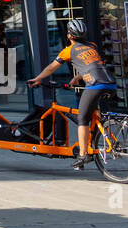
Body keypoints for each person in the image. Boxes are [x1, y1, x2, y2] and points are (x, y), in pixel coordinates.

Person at [29, 18, 117, 169]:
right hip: (110, 83)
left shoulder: (68, 51)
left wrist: (37, 79)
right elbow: (91, 65)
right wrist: (76, 78)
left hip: (95, 85)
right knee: (97, 116)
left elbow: (51, 68)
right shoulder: (92, 46)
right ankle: (109, 141)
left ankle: (83, 155)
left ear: (69, 35)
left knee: (82, 118)